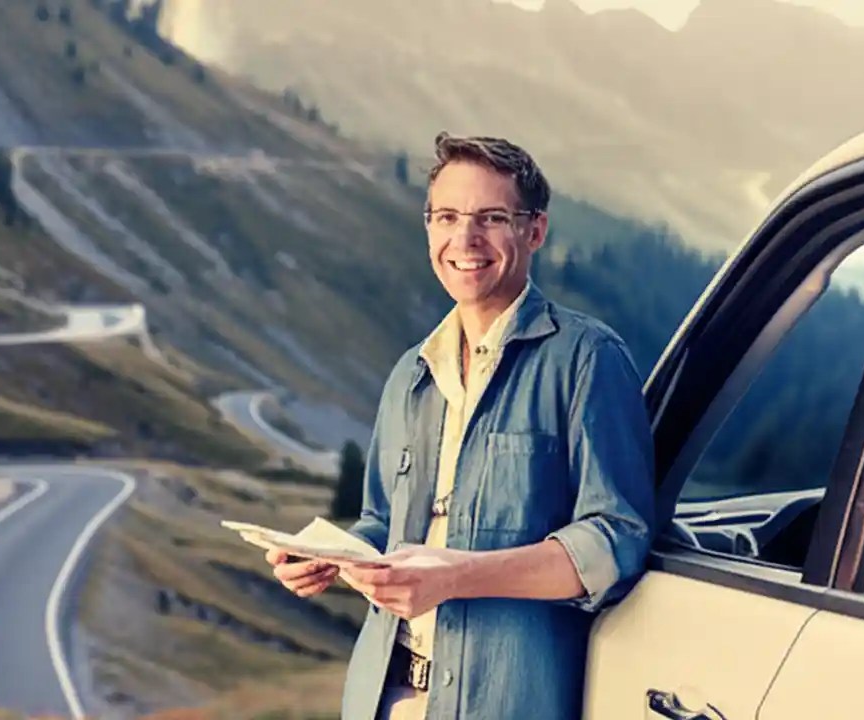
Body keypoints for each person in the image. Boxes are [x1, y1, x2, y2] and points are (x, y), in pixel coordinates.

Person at [266, 132, 656, 720]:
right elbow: (383, 521)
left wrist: (460, 577)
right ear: (428, 227)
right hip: (384, 698)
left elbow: (615, 540)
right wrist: (332, 554)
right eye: (446, 216)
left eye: (491, 217)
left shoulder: (588, 359)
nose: (464, 240)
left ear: (535, 231)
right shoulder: (410, 374)